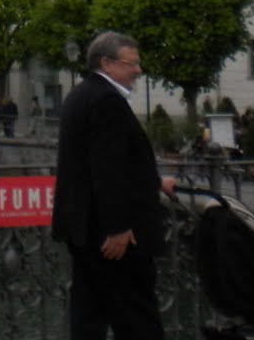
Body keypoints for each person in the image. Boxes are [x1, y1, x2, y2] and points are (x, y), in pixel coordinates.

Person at [52, 31, 176, 340]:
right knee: (137, 317)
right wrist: (118, 227)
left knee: (89, 314)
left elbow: (96, 161)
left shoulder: (81, 94)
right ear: (106, 63)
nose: (138, 70)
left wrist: (155, 181)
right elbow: (107, 169)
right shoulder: (107, 100)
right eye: (130, 63)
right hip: (111, 236)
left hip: (83, 228)